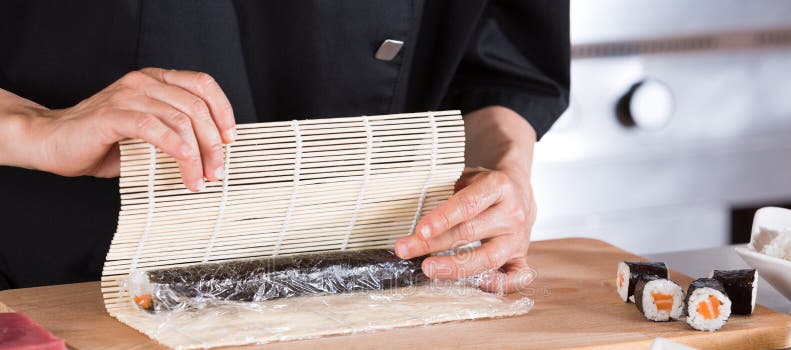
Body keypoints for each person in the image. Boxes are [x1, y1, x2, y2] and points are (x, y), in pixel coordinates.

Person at [0, 1, 570, 291]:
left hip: (378, 290)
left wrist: (502, 179)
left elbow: (498, 65)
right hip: (54, 304)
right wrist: (31, 126)